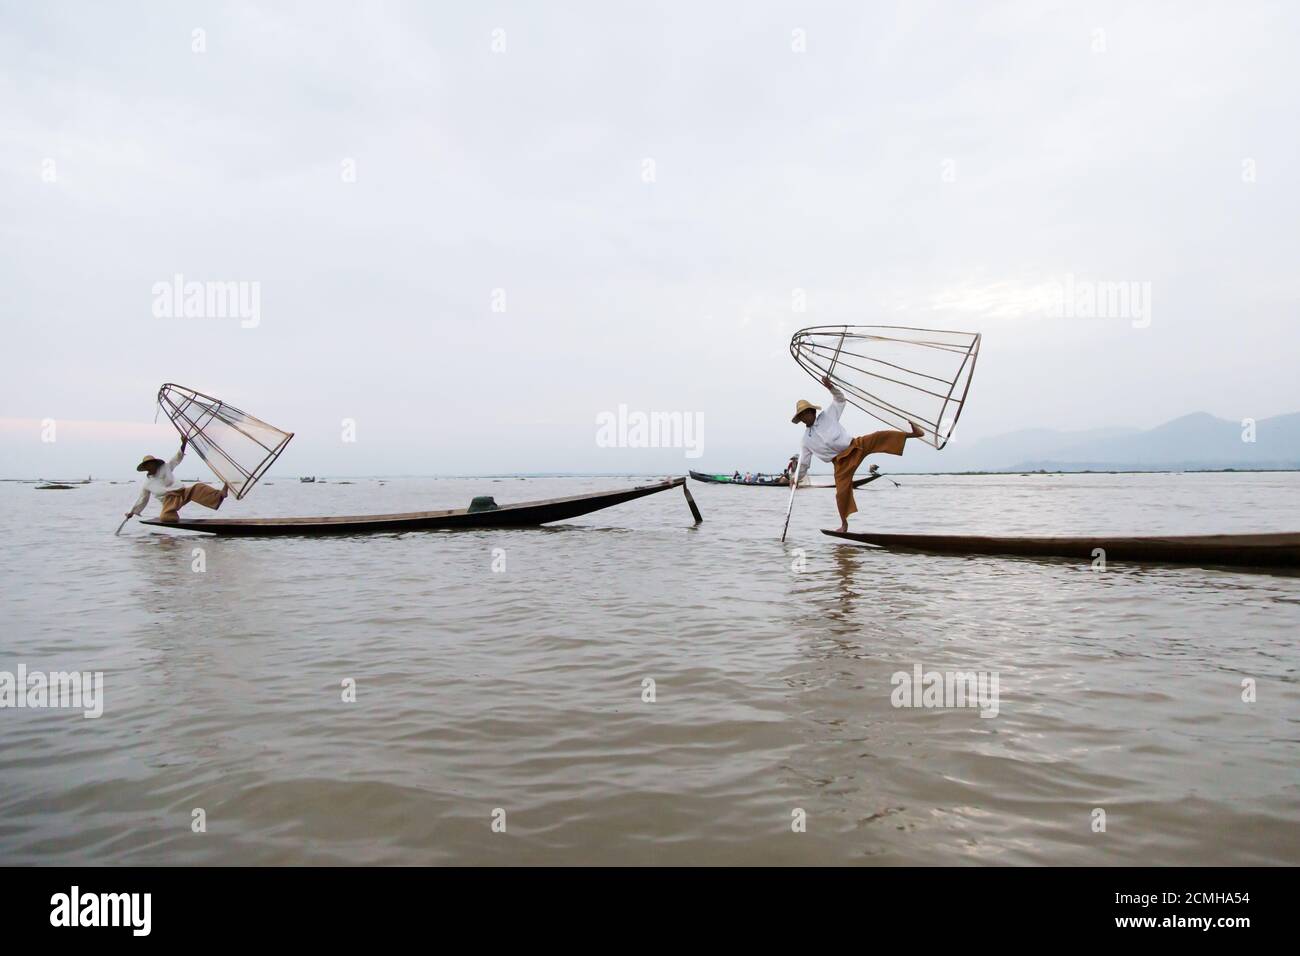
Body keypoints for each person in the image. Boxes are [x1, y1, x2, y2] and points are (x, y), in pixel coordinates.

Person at [791, 375, 923, 532]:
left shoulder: (827, 415)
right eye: (802, 416)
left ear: (813, 412)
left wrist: (830, 387)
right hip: (840, 463)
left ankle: (914, 434)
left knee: (879, 436)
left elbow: (840, 400)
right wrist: (796, 479)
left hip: (854, 446)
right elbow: (804, 463)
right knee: (841, 493)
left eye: (807, 413)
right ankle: (844, 524)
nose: (805, 417)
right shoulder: (806, 440)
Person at [125, 438, 230, 522]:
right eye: (149, 464)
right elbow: (142, 499)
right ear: (146, 467)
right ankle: (171, 515)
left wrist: (183, 444)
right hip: (169, 501)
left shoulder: (165, 467)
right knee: (166, 518)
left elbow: (177, 459)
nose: (152, 465)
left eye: (153, 463)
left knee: (198, 487)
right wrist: (131, 512)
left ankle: (221, 494)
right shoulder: (147, 484)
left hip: (181, 492)